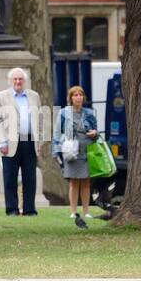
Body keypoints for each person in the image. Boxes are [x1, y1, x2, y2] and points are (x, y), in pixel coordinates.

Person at [0, 66, 43, 217]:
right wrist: (2, 142)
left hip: (29, 142)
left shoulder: (34, 96)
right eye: (15, 79)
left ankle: (29, 210)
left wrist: (40, 141)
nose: (18, 81)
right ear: (10, 81)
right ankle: (12, 209)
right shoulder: (1, 97)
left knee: (30, 178)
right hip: (10, 143)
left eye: (20, 79)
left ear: (25, 81)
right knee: (10, 178)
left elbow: (40, 120)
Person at [52, 85, 98, 230]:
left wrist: (94, 133)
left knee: (86, 181)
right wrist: (56, 151)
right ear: (70, 98)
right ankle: (73, 211)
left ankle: (86, 211)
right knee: (73, 182)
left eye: (80, 95)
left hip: (87, 150)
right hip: (71, 150)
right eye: (75, 95)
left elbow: (96, 131)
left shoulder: (90, 113)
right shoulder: (64, 113)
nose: (78, 97)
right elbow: (57, 133)